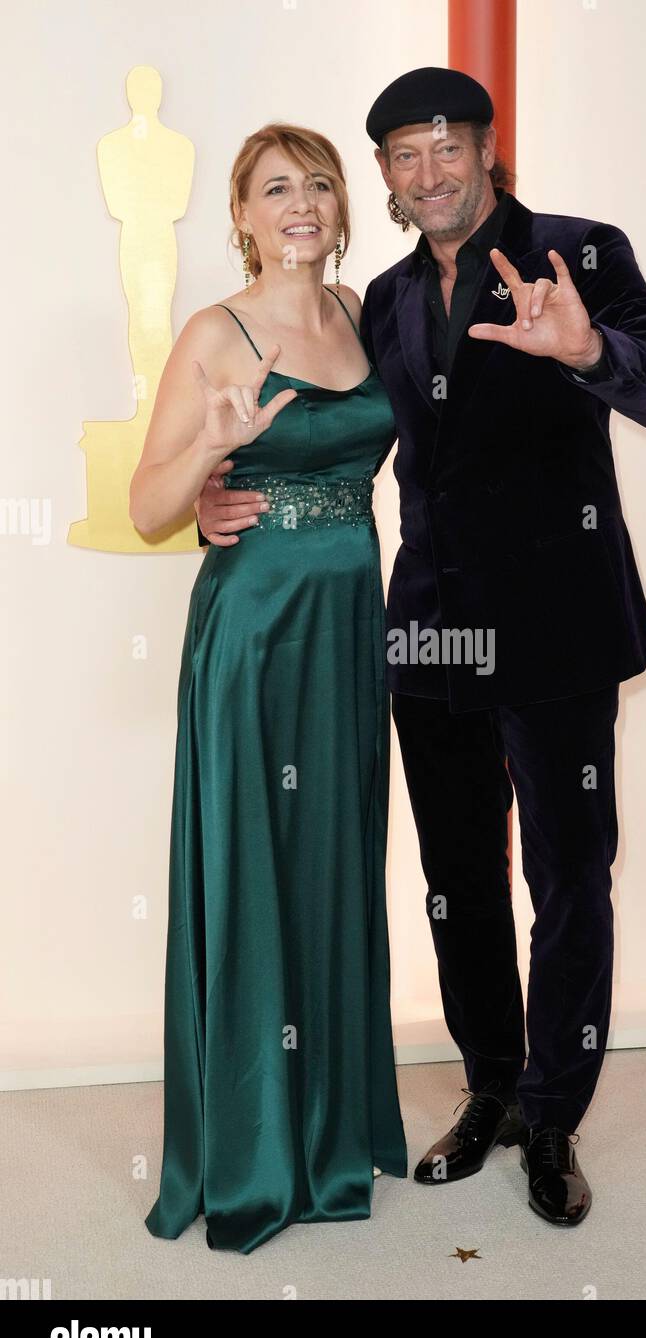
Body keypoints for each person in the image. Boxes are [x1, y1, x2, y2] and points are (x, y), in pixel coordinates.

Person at [196, 69, 646, 1227]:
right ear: (382, 175)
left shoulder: (579, 253)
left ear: (488, 150)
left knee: (569, 881)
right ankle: (491, 1088)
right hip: (427, 636)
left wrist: (588, 354)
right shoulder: (376, 299)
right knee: (454, 884)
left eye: (447, 148)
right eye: (402, 156)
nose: (427, 174)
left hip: (561, 632)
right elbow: (338, 446)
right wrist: (218, 495)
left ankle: (554, 1116)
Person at [131, 123, 407, 1254]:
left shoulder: (364, 317)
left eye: (321, 186)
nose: (302, 204)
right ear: (240, 214)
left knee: (336, 855)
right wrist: (210, 459)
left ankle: (334, 1123)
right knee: (254, 860)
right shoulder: (216, 330)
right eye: (276, 189)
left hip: (350, 617)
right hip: (254, 627)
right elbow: (147, 507)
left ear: (343, 211)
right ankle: (251, 1146)